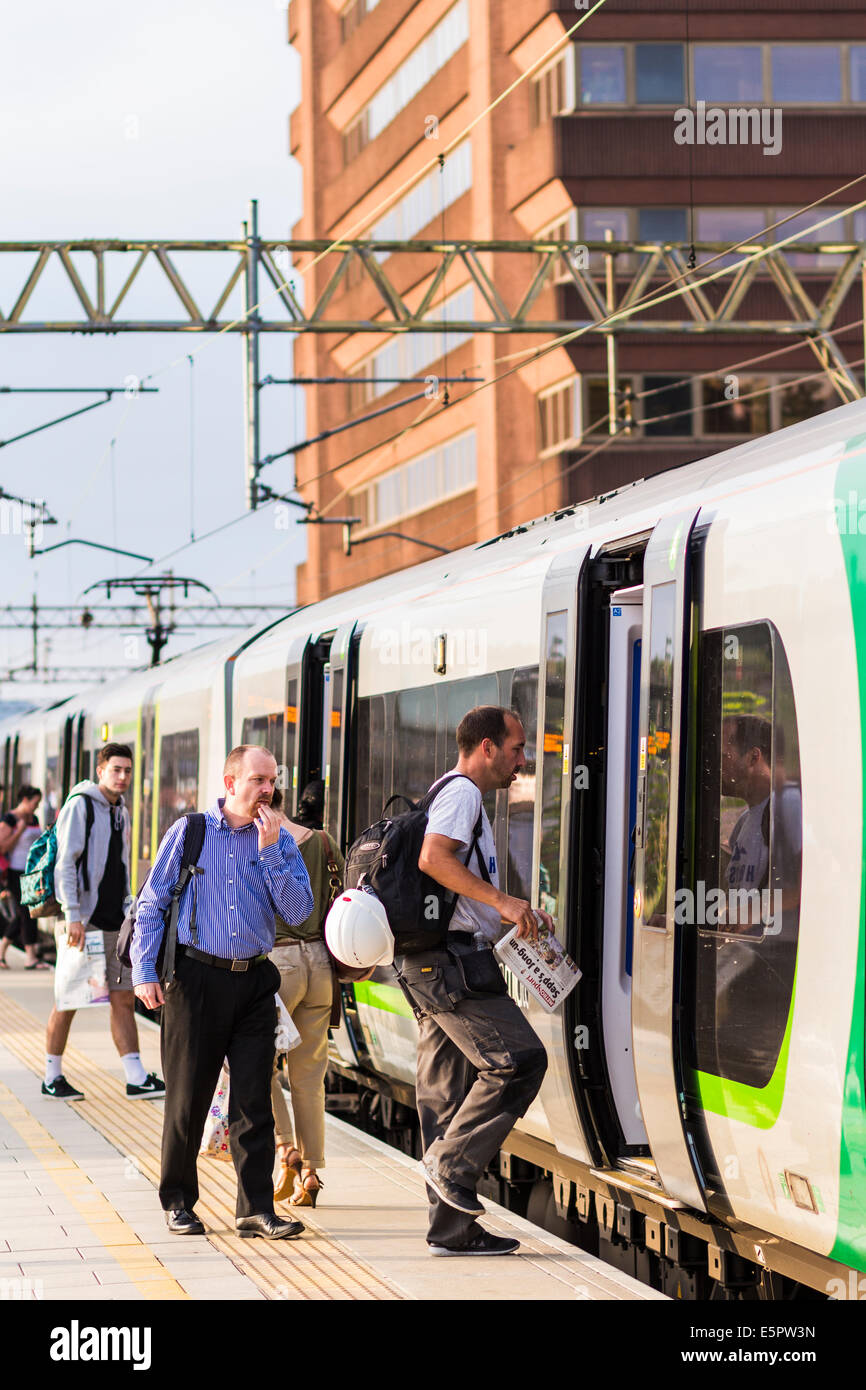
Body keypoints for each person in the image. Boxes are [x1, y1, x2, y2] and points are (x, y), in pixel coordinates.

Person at [131, 745, 314, 1239]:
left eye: (273, 780)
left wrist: (273, 852)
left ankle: (254, 1209)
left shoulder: (280, 841)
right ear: (230, 783)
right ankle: (178, 1201)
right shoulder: (190, 832)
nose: (268, 789)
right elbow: (152, 902)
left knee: (254, 1101)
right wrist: (144, 973)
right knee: (188, 1098)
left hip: (255, 979)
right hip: (196, 980)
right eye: (257, 779)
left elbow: (299, 912)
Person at [395, 705, 551, 1257]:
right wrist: (504, 902)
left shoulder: (453, 792)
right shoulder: (462, 793)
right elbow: (435, 859)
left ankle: (451, 1228)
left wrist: (509, 916)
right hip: (452, 965)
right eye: (516, 749)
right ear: (487, 747)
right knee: (519, 1060)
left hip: (434, 962)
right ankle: (450, 1164)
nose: (522, 761)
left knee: (446, 1097)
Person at [42, 745, 164, 1102]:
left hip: (116, 922)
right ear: (101, 770)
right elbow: (65, 863)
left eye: (127, 770)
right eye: (116, 770)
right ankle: (52, 1076)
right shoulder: (80, 805)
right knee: (69, 1000)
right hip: (84, 922)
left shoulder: (120, 810)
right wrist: (72, 916)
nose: (122, 777)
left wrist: (131, 909)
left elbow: (120, 866)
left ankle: (136, 1076)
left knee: (124, 999)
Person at [268, 785, 344, 1209]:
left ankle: (285, 1147)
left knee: (255, 1063)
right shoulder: (324, 842)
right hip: (321, 965)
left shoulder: (262, 843)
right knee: (310, 1078)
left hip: (277, 966)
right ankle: (312, 1171)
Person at [0, 785, 48, 970]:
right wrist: (19, 831)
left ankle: (4, 951)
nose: (36, 807)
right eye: (35, 803)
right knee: (27, 912)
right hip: (15, 872)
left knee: (28, 913)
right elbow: (2, 847)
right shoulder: (10, 819)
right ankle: (30, 957)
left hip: (32, 873)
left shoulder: (34, 818)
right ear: (25, 800)